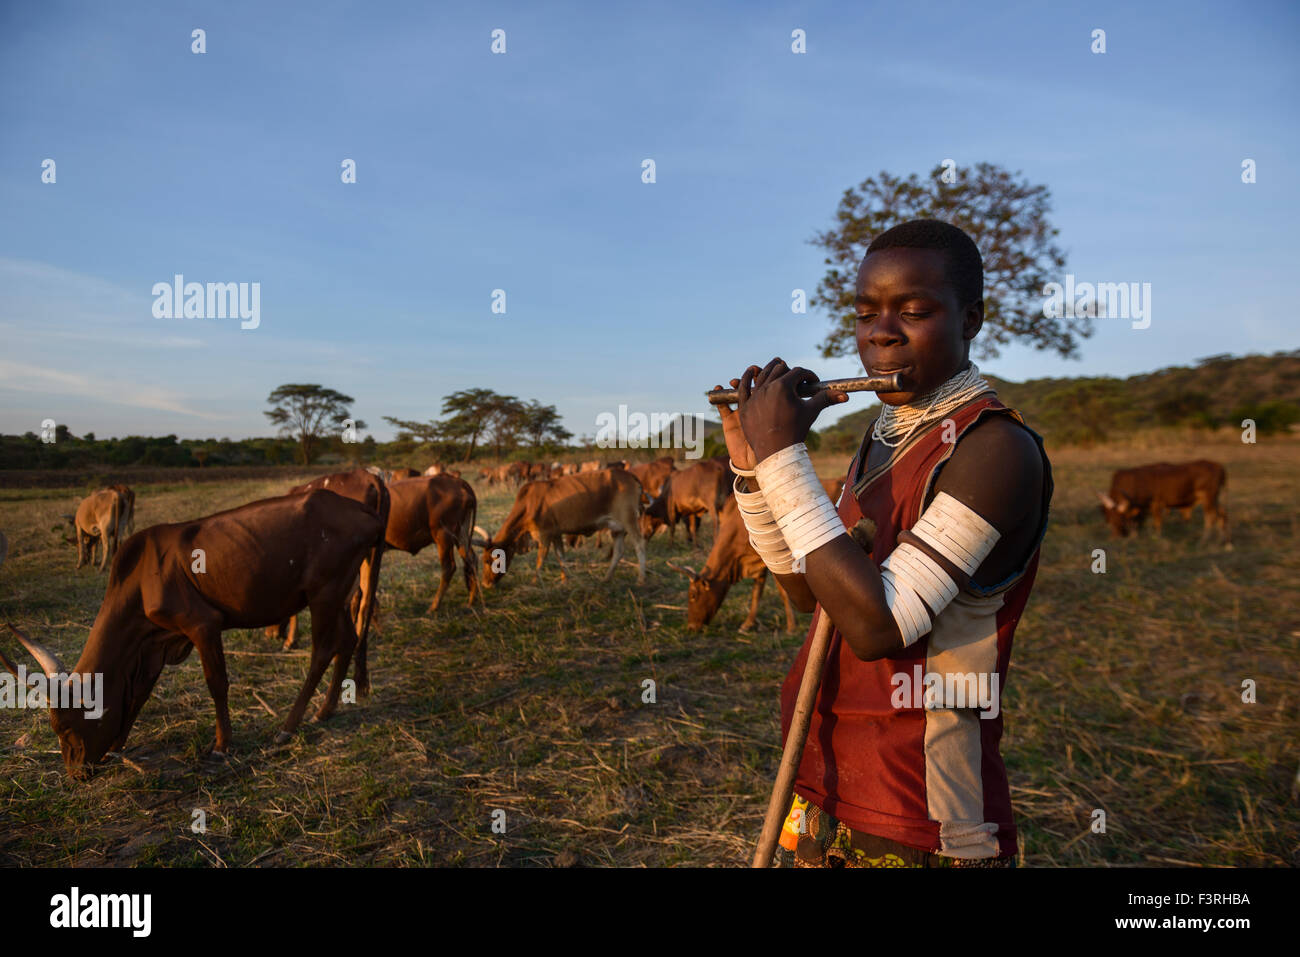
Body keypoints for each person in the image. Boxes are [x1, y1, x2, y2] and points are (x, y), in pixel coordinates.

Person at [715, 219, 1054, 867]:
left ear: (972, 319)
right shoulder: (881, 439)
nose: (882, 331)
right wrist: (754, 472)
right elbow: (812, 597)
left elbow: (878, 626)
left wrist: (786, 456)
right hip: (827, 777)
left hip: (921, 811)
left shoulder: (996, 451)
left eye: (915, 310)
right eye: (866, 312)